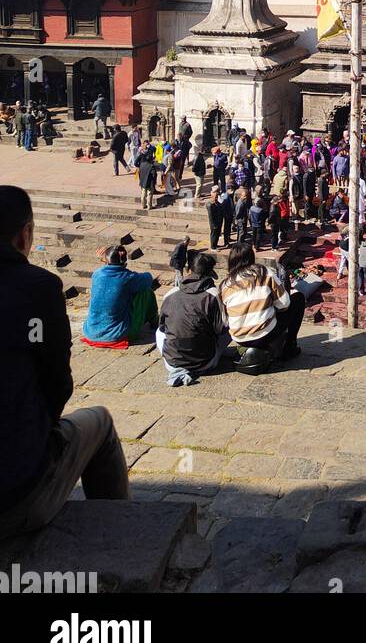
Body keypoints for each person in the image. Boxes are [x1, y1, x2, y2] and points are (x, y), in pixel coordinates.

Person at [0, 185, 130, 536]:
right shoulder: (38, 287)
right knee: (99, 422)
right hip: (14, 501)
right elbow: (57, 385)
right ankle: (122, 537)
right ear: (25, 234)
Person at [218, 242, 304, 370]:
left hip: (239, 337)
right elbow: (284, 304)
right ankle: (290, 346)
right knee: (298, 299)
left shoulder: (225, 285)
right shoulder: (264, 272)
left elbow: (225, 319)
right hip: (265, 333)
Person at [156, 252, 229, 387]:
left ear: (189, 270)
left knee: (159, 332)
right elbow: (222, 329)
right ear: (210, 273)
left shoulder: (171, 294)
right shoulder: (212, 295)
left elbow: (162, 326)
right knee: (228, 328)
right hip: (204, 363)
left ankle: (179, 362)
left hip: (173, 362)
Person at [81, 245, 158, 348]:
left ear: (106, 260)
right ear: (124, 261)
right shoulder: (128, 278)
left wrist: (104, 259)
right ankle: (154, 320)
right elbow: (148, 278)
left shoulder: (97, 274)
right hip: (116, 334)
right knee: (145, 291)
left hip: (91, 332)